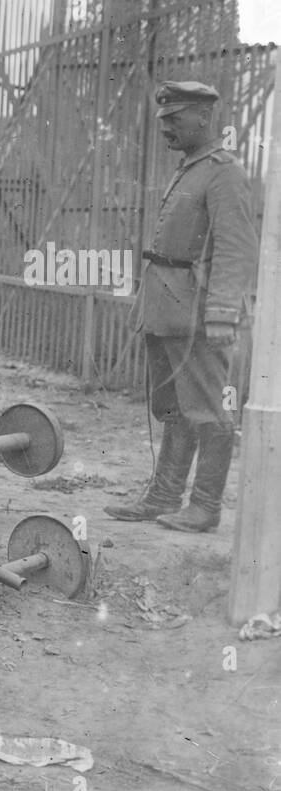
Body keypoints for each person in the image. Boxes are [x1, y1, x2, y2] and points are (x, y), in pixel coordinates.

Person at [105, 81, 258, 533]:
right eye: (163, 119)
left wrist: (222, 313)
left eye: (175, 118)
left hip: (199, 313)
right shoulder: (190, 167)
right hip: (169, 309)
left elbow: (236, 248)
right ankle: (164, 496)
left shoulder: (224, 172)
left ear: (204, 118)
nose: (165, 128)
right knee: (174, 406)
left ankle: (205, 506)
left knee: (208, 410)